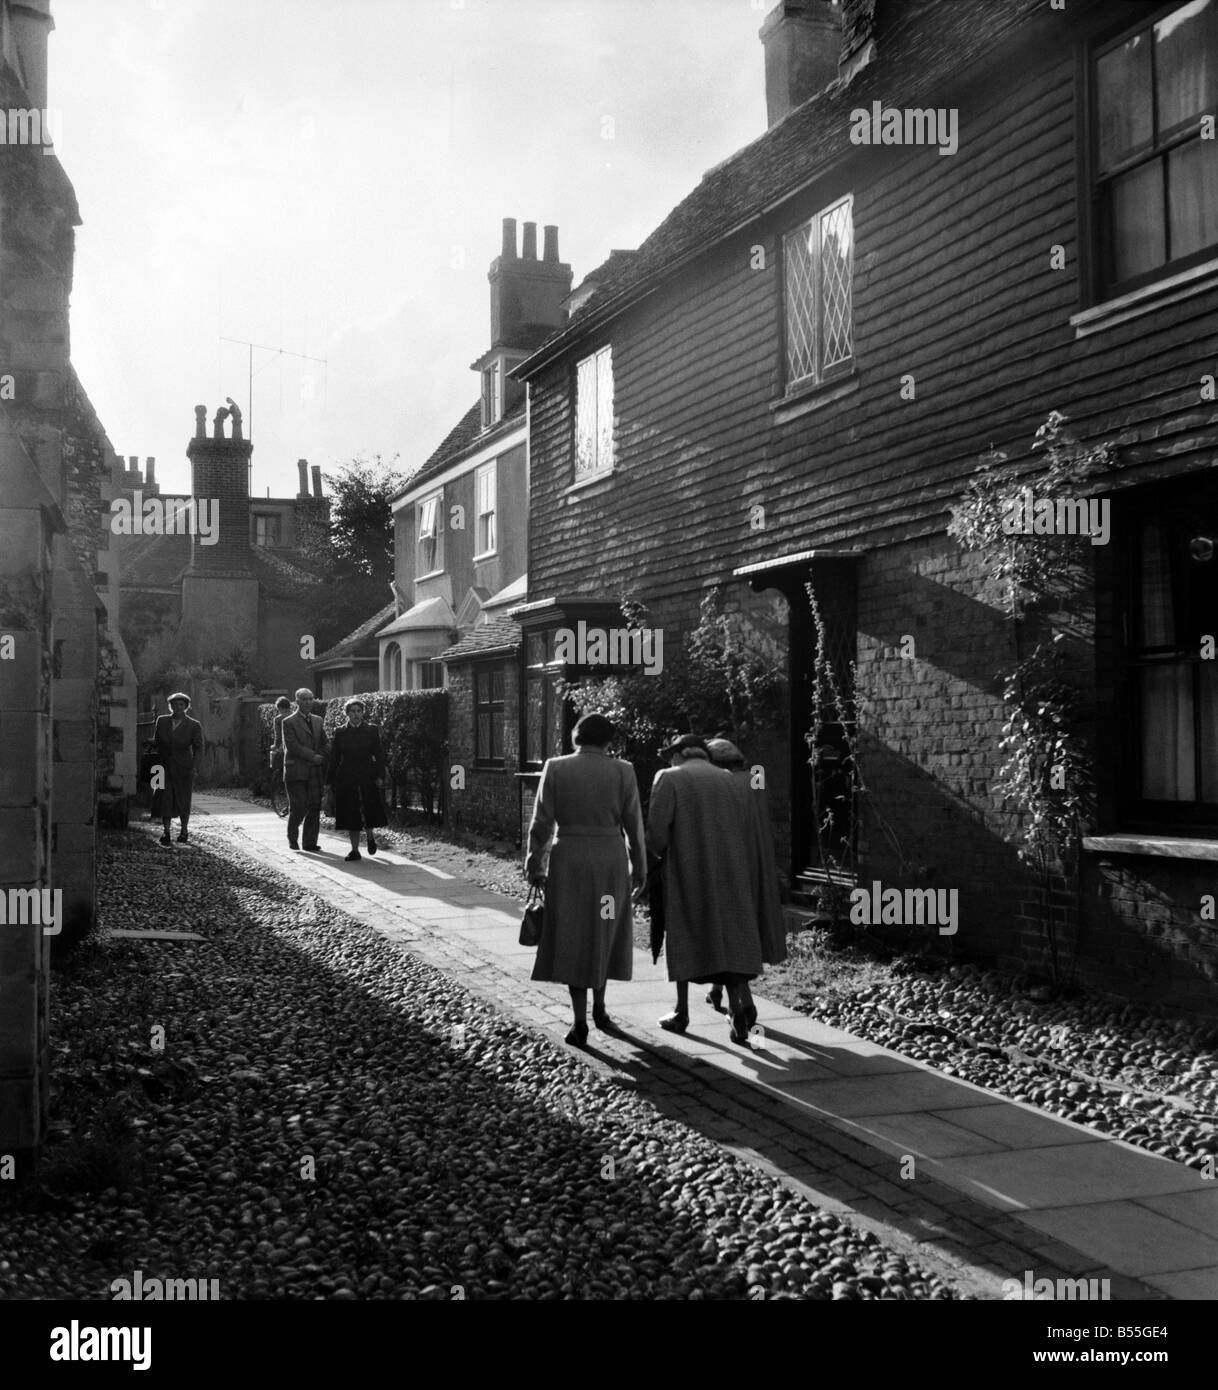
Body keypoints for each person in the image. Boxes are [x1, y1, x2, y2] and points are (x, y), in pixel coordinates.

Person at [526, 712, 647, 1048]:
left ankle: (579, 1020)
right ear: (608, 740)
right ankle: (601, 1008)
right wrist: (640, 867)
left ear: (576, 736)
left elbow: (541, 822)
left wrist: (535, 864)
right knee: (603, 928)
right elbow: (634, 823)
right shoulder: (623, 770)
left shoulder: (556, 767)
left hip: (570, 862)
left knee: (573, 932)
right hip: (609, 862)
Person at [646, 733, 763, 1045]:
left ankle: (681, 1011)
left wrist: (660, 854)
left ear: (682, 753)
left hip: (687, 869)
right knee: (728, 935)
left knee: (683, 932)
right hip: (729, 870)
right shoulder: (728, 779)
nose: (669, 760)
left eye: (671, 754)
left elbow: (656, 834)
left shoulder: (669, 778)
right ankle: (738, 1009)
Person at [705, 736, 788, 1011]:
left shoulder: (721, 783)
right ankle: (717, 988)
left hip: (729, 863)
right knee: (745, 922)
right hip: (756, 861)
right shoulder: (755, 780)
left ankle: (743, 1002)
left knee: (730, 928)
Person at [326, 698, 389, 861]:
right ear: (347, 713)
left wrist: (380, 775)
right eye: (352, 711)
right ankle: (354, 850)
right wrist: (329, 780)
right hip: (346, 775)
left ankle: (370, 837)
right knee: (350, 811)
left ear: (363, 713)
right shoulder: (340, 732)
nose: (356, 714)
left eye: (359, 711)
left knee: (368, 808)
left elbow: (379, 754)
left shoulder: (371, 730)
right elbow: (335, 757)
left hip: (367, 774)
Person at [153, 692, 204, 846]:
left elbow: (199, 747)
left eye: (181, 704)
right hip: (163, 766)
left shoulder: (194, 725)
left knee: (183, 799)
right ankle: (166, 831)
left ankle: (184, 830)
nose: (178, 707)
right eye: (175, 704)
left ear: (186, 707)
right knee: (164, 797)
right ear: (170, 706)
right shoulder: (162, 721)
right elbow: (157, 741)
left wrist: (194, 767)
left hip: (184, 767)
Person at [282, 687, 329, 852]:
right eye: (304, 699)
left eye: (310, 699)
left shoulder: (318, 720)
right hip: (296, 771)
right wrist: (312, 756)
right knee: (299, 807)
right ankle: (292, 837)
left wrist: (321, 755)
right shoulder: (288, 722)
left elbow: (325, 742)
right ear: (297, 702)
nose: (308, 702)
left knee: (314, 806)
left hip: (314, 770)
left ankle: (310, 842)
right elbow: (292, 745)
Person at [269, 695, 292, 794]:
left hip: (285, 749)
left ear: (280, 708)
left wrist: (274, 746)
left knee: (279, 768)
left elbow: (278, 737)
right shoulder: (296, 716)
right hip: (298, 749)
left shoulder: (278, 719)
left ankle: (282, 788)